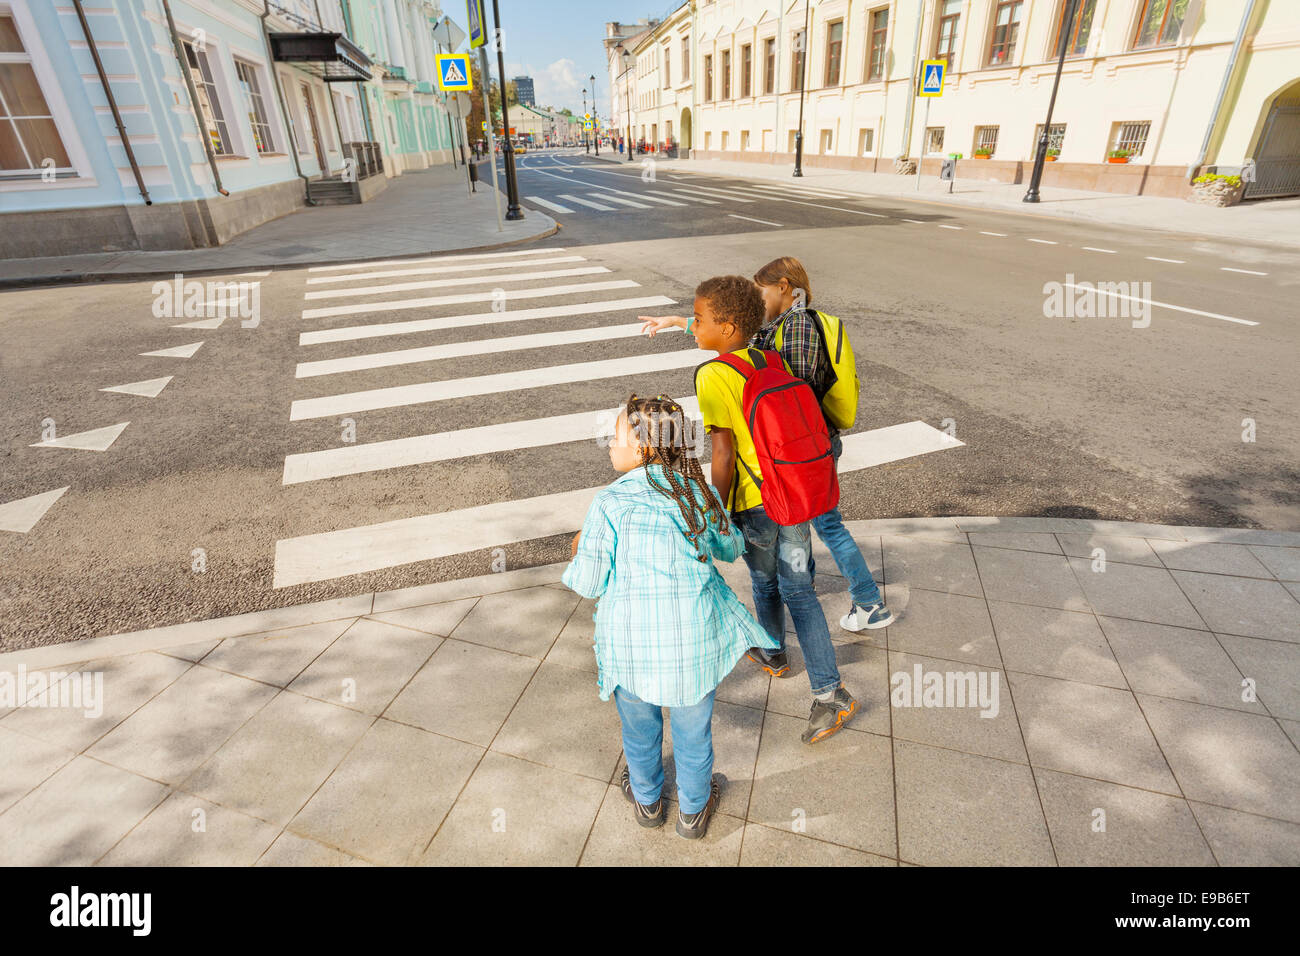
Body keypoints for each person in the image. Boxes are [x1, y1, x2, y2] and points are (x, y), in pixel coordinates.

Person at [563, 394, 780, 838]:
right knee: (693, 734)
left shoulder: (611, 503)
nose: (609, 442)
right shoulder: (695, 493)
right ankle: (693, 812)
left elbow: (587, 583)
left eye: (617, 434)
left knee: (640, 732)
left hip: (631, 646)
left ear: (644, 447)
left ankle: (647, 802)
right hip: (693, 645)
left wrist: (578, 546)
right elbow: (731, 547)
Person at [640, 258, 894, 635]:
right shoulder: (778, 328)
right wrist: (680, 323)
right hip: (795, 452)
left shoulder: (798, 328)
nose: (757, 300)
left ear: (783, 287)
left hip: (803, 452)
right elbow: (740, 341)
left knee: (828, 524)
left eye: (760, 290)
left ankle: (868, 600)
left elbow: (794, 394)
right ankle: (808, 586)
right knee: (812, 527)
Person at [687, 276, 860, 744]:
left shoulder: (712, 375)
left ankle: (828, 690)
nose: (692, 326)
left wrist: (713, 511)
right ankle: (774, 653)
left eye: (698, 319)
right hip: (792, 494)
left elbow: (721, 454)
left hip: (754, 505)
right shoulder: (768, 354)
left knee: (775, 584)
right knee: (789, 586)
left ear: (725, 328)